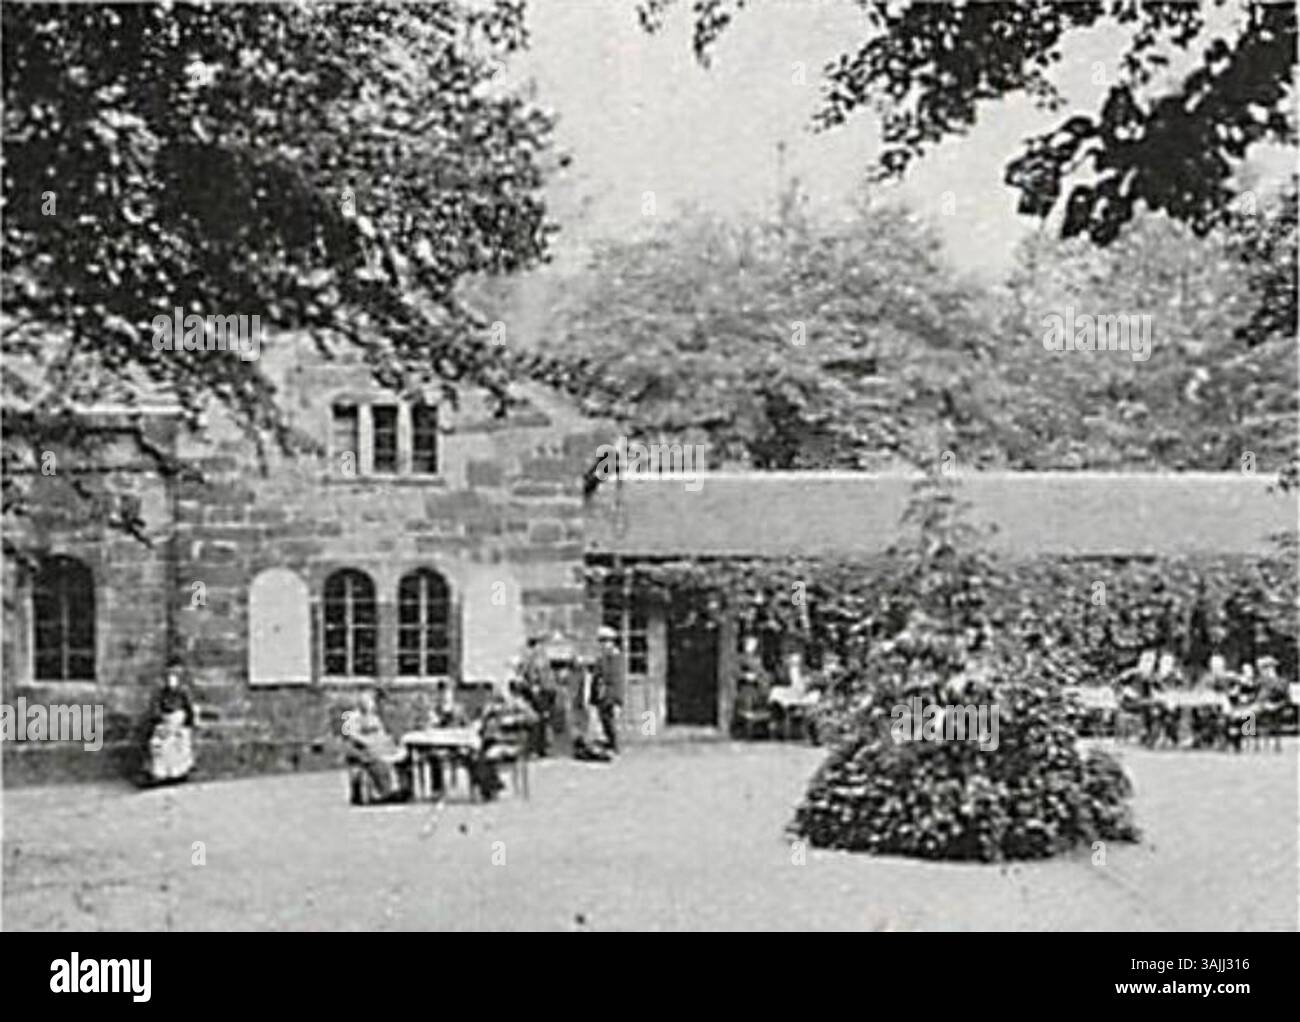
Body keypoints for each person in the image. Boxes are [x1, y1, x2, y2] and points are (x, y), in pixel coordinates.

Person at [345, 690, 410, 803]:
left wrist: (386, 740)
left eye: (370, 703)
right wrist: (369, 741)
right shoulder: (350, 717)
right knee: (378, 762)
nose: (370, 705)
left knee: (399, 756)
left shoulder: (374, 717)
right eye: (367, 702)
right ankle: (385, 791)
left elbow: (382, 733)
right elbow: (351, 735)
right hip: (364, 750)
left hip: (378, 747)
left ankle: (397, 787)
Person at [142, 663, 196, 785]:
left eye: (175, 675)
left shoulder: (184, 691)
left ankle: (179, 772)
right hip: (164, 720)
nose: (172, 679)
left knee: (180, 746)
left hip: (178, 720)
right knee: (159, 744)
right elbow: (155, 706)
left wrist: (188, 721)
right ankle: (161, 773)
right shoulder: (160, 692)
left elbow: (189, 707)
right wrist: (159, 718)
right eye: (170, 675)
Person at [593, 626, 626, 754]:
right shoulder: (604, 657)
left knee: (611, 719)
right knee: (604, 719)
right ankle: (610, 743)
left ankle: (615, 745)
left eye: (605, 641)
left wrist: (617, 699)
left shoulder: (615, 657)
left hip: (611, 693)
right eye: (601, 642)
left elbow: (615, 679)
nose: (603, 645)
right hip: (603, 693)